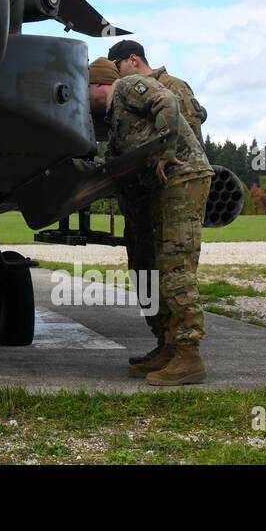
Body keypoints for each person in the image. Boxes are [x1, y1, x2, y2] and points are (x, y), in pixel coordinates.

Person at [89, 58, 214, 386]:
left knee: (175, 268)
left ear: (96, 86)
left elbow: (168, 102)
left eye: (83, 91)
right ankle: (169, 348)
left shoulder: (127, 87)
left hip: (182, 177)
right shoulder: (116, 117)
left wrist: (166, 151)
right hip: (165, 185)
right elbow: (115, 163)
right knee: (155, 269)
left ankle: (189, 356)